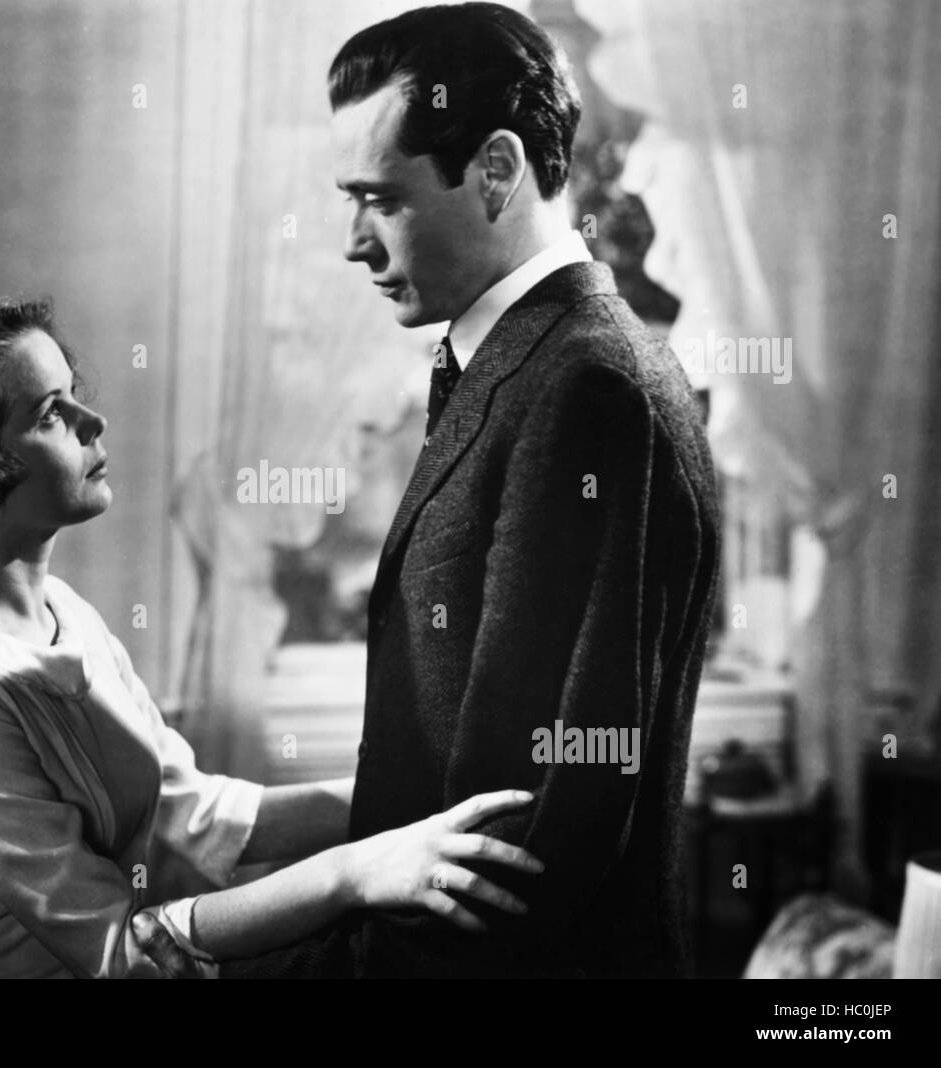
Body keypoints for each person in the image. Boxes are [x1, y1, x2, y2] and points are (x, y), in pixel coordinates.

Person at [0, 296, 542, 978]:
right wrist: (353, 874)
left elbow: (194, 814)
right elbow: (116, 954)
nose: (93, 419)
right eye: (53, 412)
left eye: (76, 392)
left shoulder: (63, 613)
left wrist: (419, 796)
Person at [224, 3, 720, 978]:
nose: (352, 243)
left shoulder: (587, 388)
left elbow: (517, 845)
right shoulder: (524, 363)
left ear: (495, 171)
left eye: (382, 200)